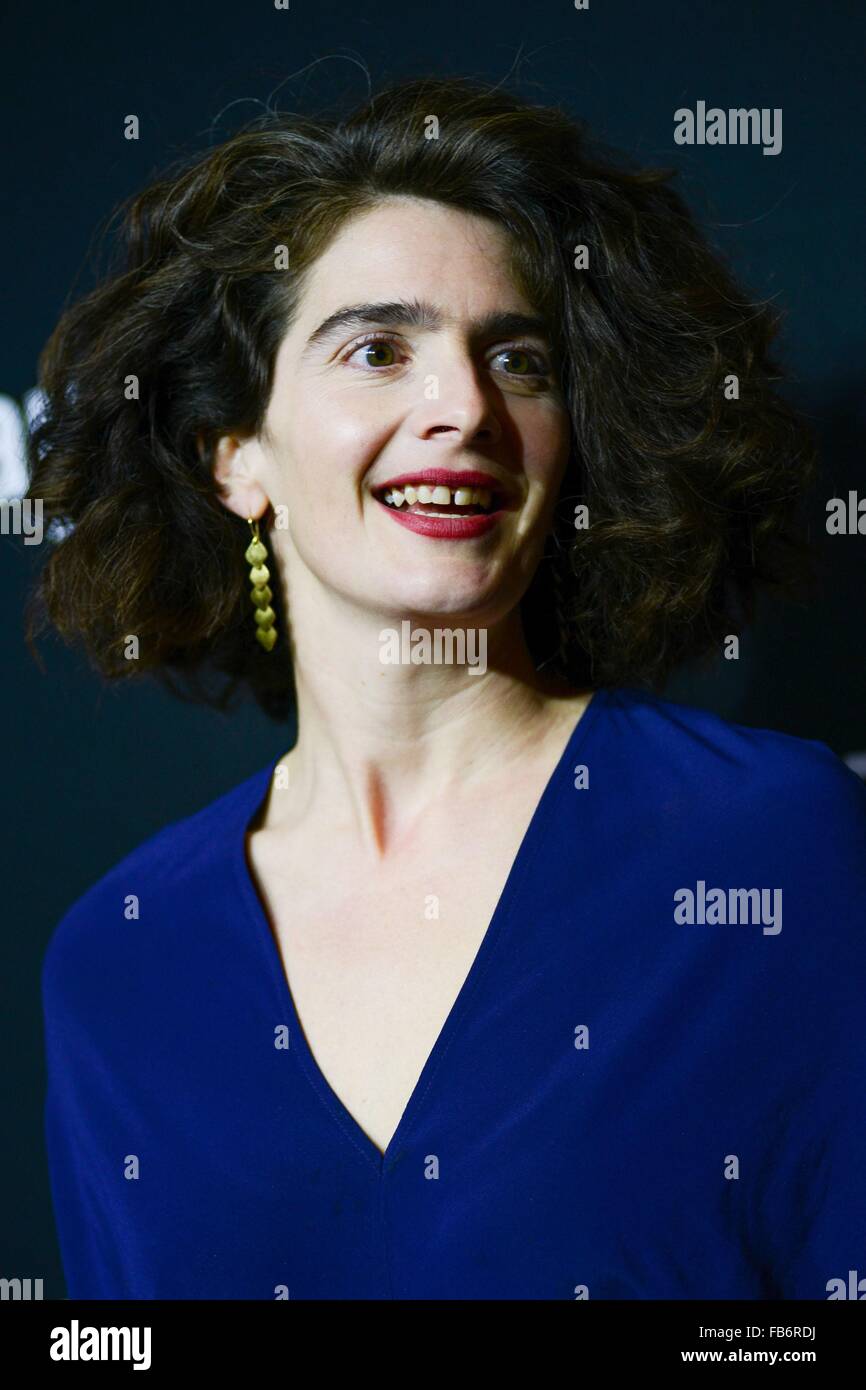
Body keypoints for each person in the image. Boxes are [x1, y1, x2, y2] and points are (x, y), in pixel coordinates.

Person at [28, 75, 866, 1300]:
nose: (462, 406)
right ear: (237, 456)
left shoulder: (770, 847)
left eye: (514, 360)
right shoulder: (117, 962)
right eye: (377, 349)